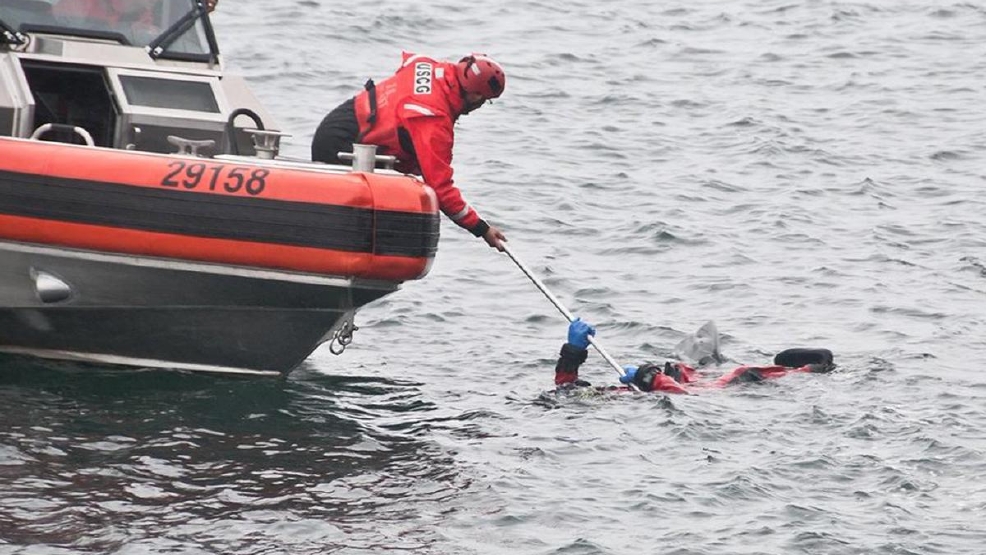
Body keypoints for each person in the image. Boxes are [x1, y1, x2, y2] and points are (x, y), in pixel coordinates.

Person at [312, 51, 508, 251]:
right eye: (484, 101)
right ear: (475, 95)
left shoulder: (427, 65)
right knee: (361, 228)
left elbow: (410, 62)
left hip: (339, 122)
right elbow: (441, 189)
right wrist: (482, 229)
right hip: (342, 144)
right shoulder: (434, 120)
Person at [554, 318, 835, 394]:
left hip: (683, 387)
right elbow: (567, 391)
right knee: (738, 375)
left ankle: (814, 369)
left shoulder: (590, 401)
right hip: (687, 391)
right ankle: (815, 369)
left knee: (733, 374)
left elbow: (565, 387)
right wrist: (652, 379)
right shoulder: (594, 402)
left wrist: (573, 353)